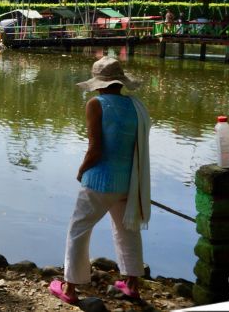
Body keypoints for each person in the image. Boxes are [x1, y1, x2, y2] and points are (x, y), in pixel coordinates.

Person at [49, 56, 151, 305]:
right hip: (129, 181)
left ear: (100, 84)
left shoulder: (97, 104)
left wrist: (82, 170)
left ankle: (70, 288)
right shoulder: (136, 106)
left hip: (100, 181)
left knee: (78, 229)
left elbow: (96, 149)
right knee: (128, 229)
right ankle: (131, 285)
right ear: (120, 82)